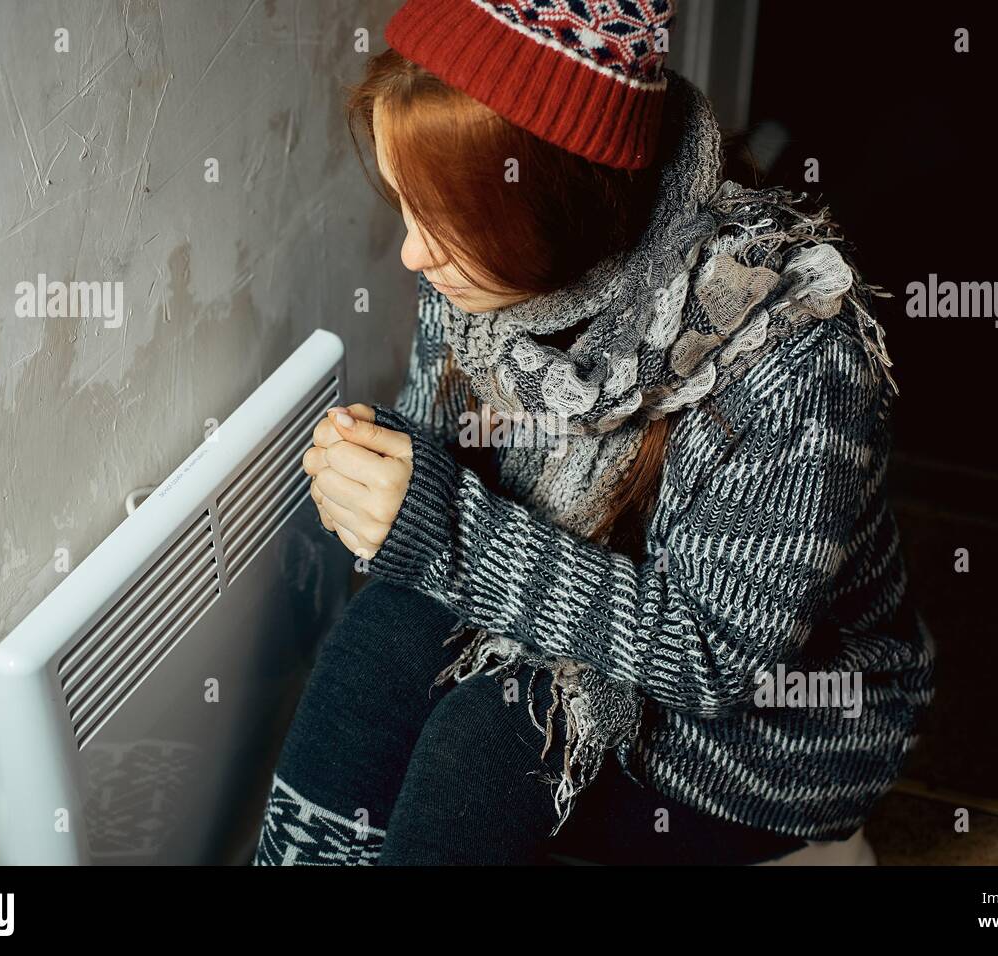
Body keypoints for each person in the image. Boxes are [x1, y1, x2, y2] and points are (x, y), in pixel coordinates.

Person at [253, 0, 934, 866]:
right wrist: (391, 473)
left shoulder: (796, 357)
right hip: (568, 624)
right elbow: (452, 488)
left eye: (444, 224)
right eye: (406, 210)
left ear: (557, 205)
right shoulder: (485, 280)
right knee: (391, 629)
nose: (412, 257)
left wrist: (443, 523)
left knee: (493, 734)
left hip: (759, 744)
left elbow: (714, 662)